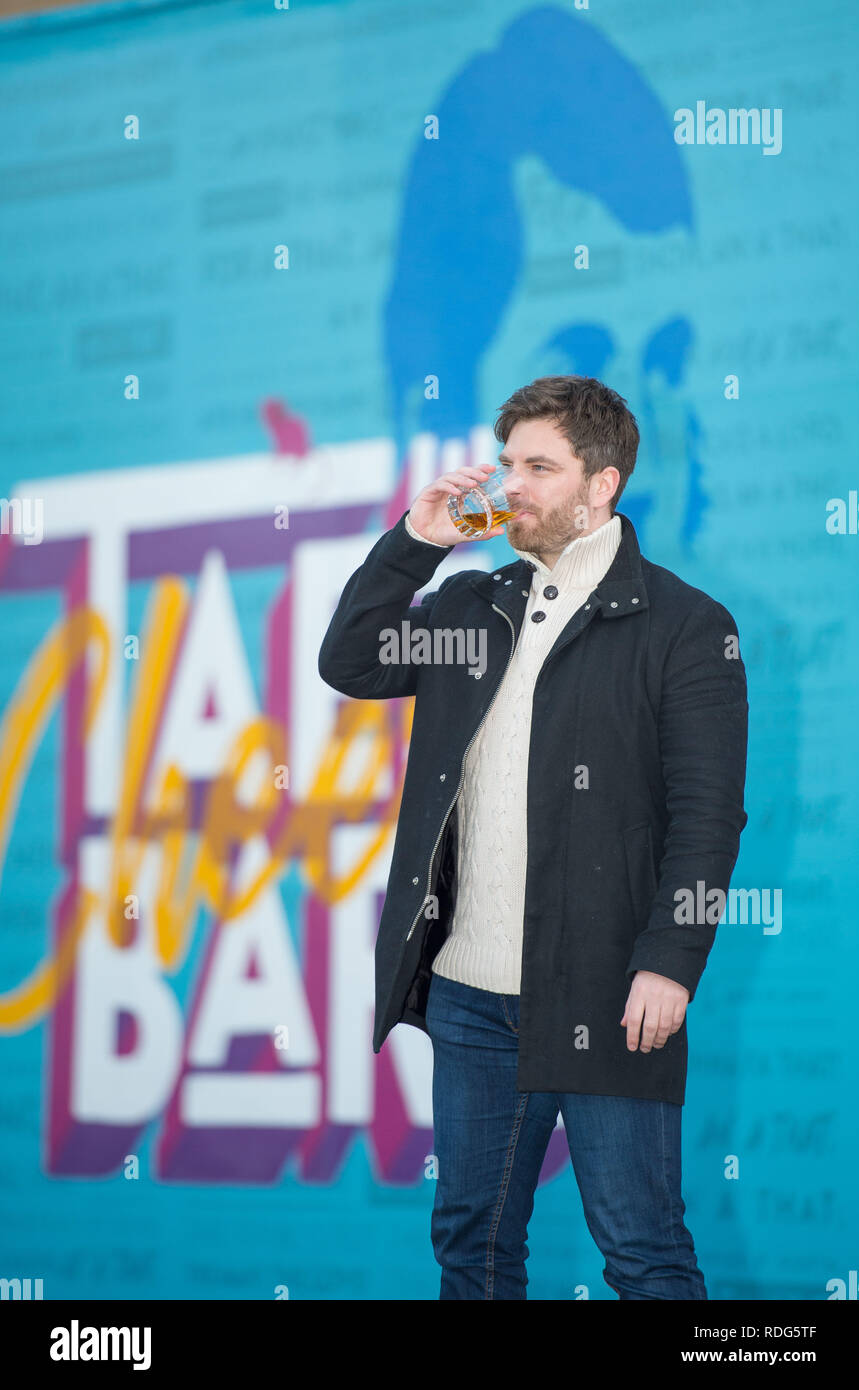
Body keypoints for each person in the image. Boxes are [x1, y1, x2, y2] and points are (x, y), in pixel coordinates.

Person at [318, 375, 748, 1299]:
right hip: (471, 996)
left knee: (641, 1249)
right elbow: (349, 661)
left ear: (603, 485)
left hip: (608, 986)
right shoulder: (473, 608)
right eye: (508, 462)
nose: (511, 486)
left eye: (539, 467)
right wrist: (412, 546)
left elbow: (709, 817)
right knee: (469, 1244)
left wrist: (671, 961)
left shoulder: (685, 626)